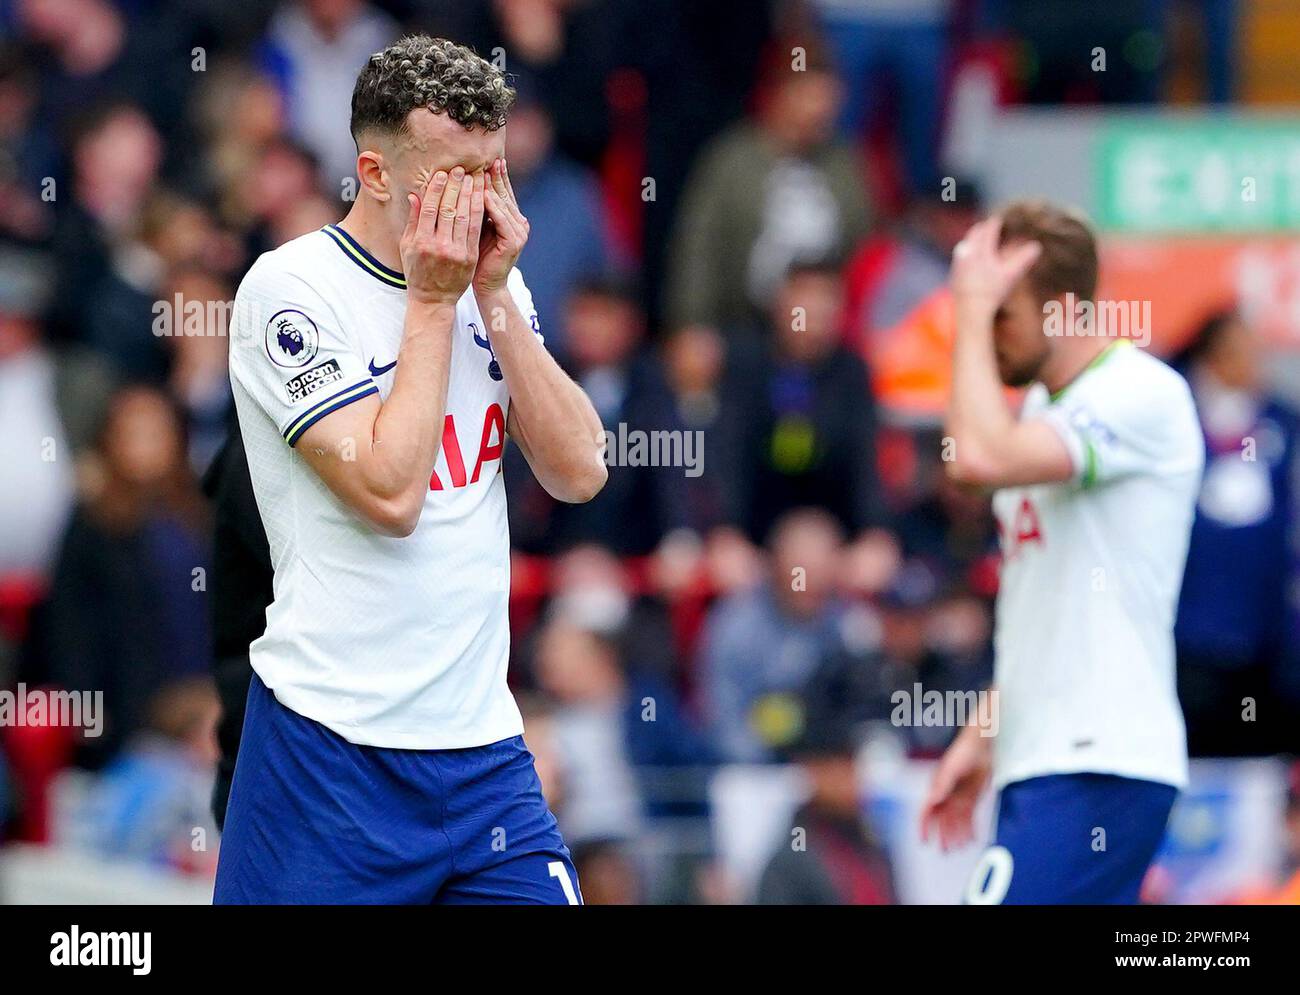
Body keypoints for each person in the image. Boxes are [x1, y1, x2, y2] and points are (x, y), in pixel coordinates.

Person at [213, 36, 606, 905]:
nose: (483, 201)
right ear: (377, 173)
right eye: (456, 175)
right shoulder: (291, 291)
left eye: (493, 172)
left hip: (482, 752)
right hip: (329, 751)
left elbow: (581, 470)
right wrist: (433, 300)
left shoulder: (493, 285)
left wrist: (495, 295)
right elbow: (390, 493)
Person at [918, 201, 1204, 904]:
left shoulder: (1142, 393)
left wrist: (968, 303)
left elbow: (974, 456)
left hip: (1100, 757)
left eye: (1000, 316)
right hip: (1044, 757)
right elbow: (1045, 607)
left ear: (1066, 309)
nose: (985, 338)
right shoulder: (1041, 417)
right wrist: (984, 734)